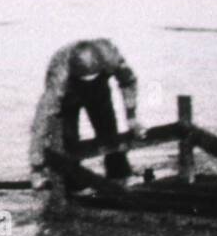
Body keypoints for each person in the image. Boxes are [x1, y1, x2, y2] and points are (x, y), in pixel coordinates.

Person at [29, 39, 142, 190]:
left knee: (108, 128)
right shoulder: (59, 75)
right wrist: (36, 166)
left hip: (99, 88)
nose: (87, 83)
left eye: (91, 77)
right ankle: (74, 185)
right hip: (69, 93)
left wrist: (132, 117)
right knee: (67, 138)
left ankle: (119, 174)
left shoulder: (110, 55)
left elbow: (128, 82)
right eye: (85, 79)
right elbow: (42, 119)